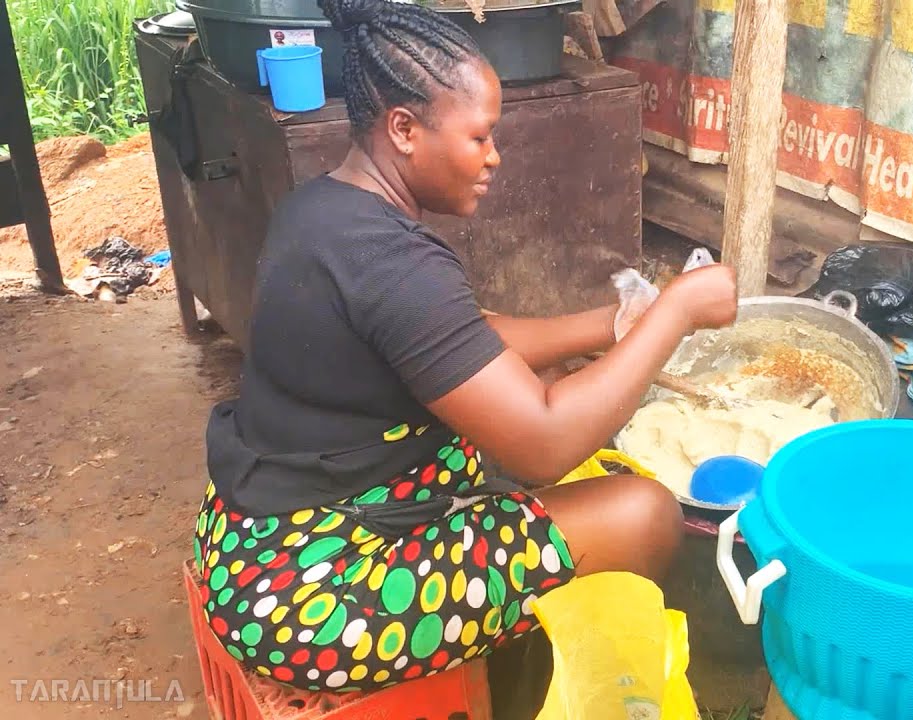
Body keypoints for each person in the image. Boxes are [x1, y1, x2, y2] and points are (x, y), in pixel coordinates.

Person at [192, 0, 738, 694]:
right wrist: (680, 312)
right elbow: (542, 441)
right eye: (480, 137)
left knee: (532, 398)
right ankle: (548, 686)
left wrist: (620, 323)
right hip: (313, 591)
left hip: (253, 533)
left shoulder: (329, 209)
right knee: (645, 513)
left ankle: (518, 646)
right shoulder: (391, 264)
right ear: (404, 129)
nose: (493, 158)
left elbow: (471, 339)